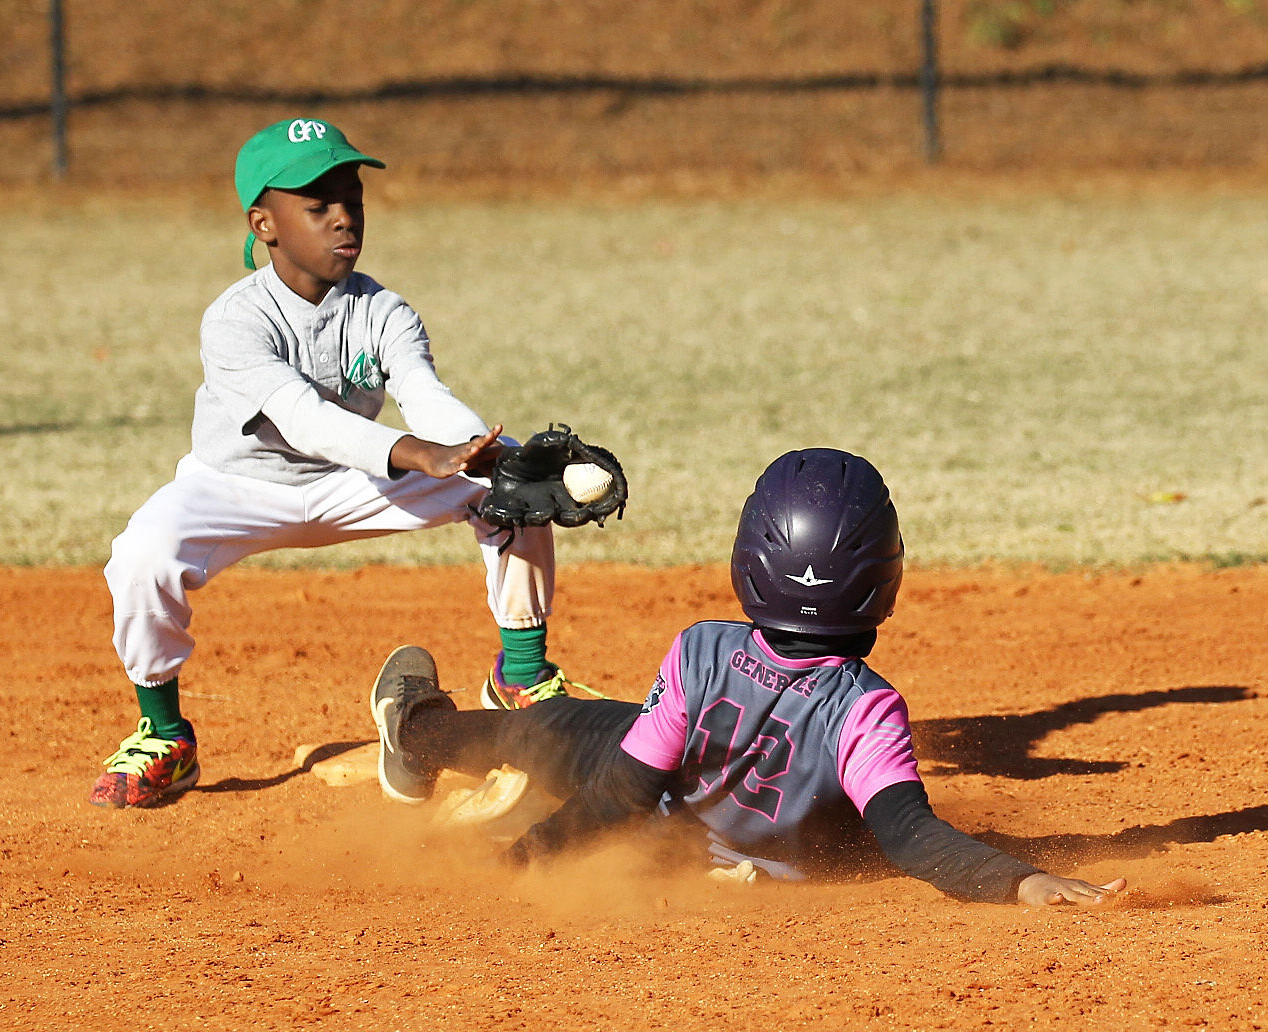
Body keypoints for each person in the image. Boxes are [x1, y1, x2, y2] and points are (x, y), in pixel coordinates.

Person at [89, 116, 591, 809]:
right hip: (238, 484)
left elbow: (426, 396)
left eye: (351, 200)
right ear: (264, 224)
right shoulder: (236, 320)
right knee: (140, 554)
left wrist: (480, 451)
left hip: (356, 483)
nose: (342, 219)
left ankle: (520, 673)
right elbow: (304, 420)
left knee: (511, 491)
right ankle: (165, 735)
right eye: (316, 205)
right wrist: (425, 454)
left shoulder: (382, 310)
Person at [369, 448, 1127, 905]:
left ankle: (417, 730)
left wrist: (527, 858)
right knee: (849, 828)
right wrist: (1021, 880)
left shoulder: (701, 650)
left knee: (535, 727)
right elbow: (911, 837)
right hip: (754, 858)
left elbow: (622, 795)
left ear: (751, 557)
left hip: (653, 815)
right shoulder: (869, 708)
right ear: (882, 576)